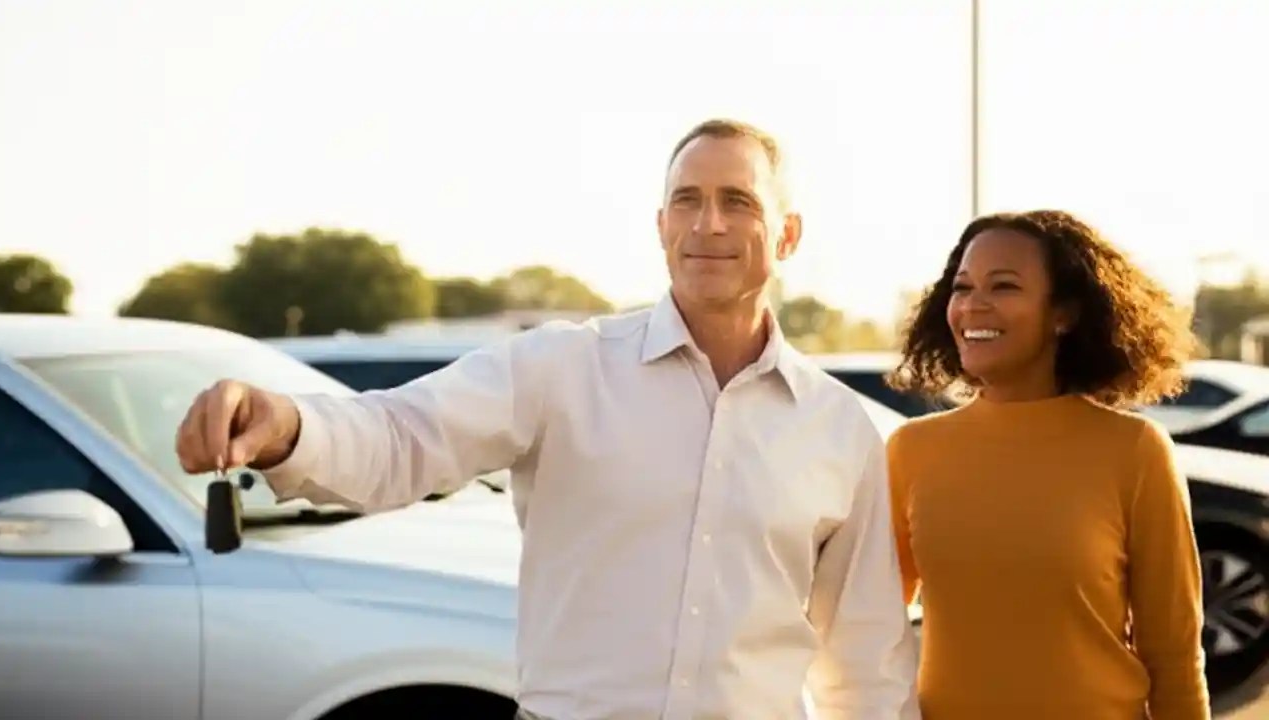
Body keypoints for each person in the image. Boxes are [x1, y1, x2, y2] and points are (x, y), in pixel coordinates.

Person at [175, 118, 920, 720]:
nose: (709, 223)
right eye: (688, 200)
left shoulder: (839, 429)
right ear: (662, 226)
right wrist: (285, 424)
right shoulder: (562, 368)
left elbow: (866, 661)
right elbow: (402, 437)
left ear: (787, 235)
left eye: (739, 201)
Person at [885, 209, 1210, 720]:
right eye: (963, 287)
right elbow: (870, 631)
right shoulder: (911, 450)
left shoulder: (1135, 450)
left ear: (1065, 314)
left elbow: (1173, 655)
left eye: (1004, 286)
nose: (973, 306)